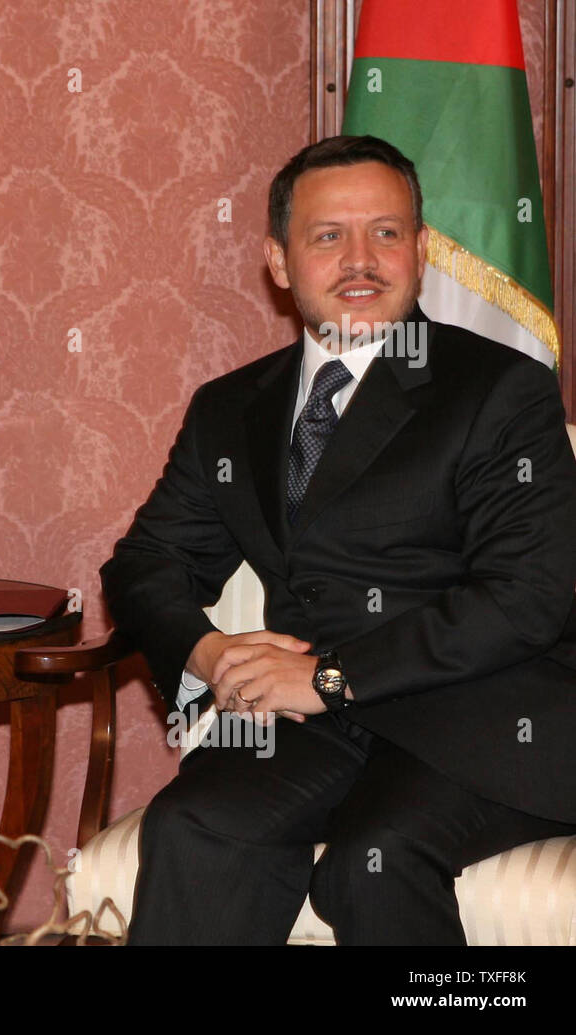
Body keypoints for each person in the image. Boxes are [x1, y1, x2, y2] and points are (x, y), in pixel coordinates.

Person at [100, 135, 576, 945]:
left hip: (478, 714)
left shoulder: (499, 389)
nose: (362, 259)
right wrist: (210, 655)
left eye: (387, 233)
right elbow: (145, 564)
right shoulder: (230, 406)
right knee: (193, 825)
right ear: (278, 262)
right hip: (299, 721)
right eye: (329, 236)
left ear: (421, 251)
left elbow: (527, 598)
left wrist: (326, 676)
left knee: (370, 861)